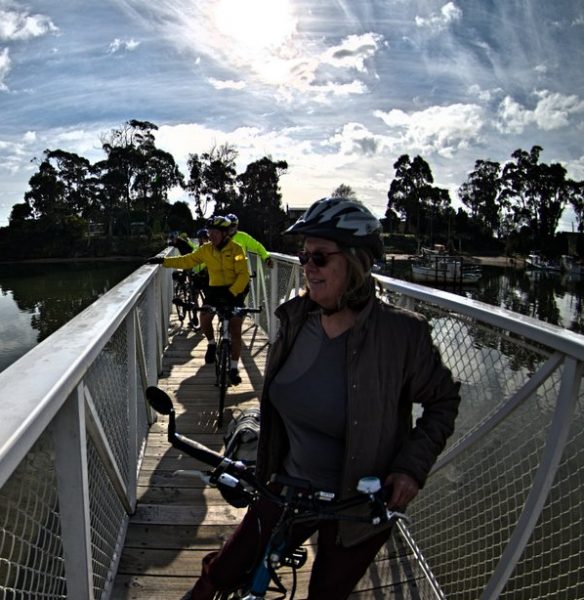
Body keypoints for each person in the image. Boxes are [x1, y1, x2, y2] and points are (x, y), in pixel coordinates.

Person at [184, 197, 461, 600]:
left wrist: (410, 468)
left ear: (357, 262)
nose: (307, 267)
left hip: (359, 505)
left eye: (319, 257)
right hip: (288, 483)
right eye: (303, 256)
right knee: (225, 569)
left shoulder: (402, 335)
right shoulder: (295, 318)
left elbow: (443, 401)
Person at [147, 215, 250, 385]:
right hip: (215, 290)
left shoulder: (237, 250)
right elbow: (187, 260)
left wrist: (233, 292)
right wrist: (164, 261)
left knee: (235, 328)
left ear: (225, 233)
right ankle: (211, 343)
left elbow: (243, 275)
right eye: (210, 232)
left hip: (234, 291)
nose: (211, 235)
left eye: (215, 232)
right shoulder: (206, 249)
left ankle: (233, 367)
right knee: (204, 317)